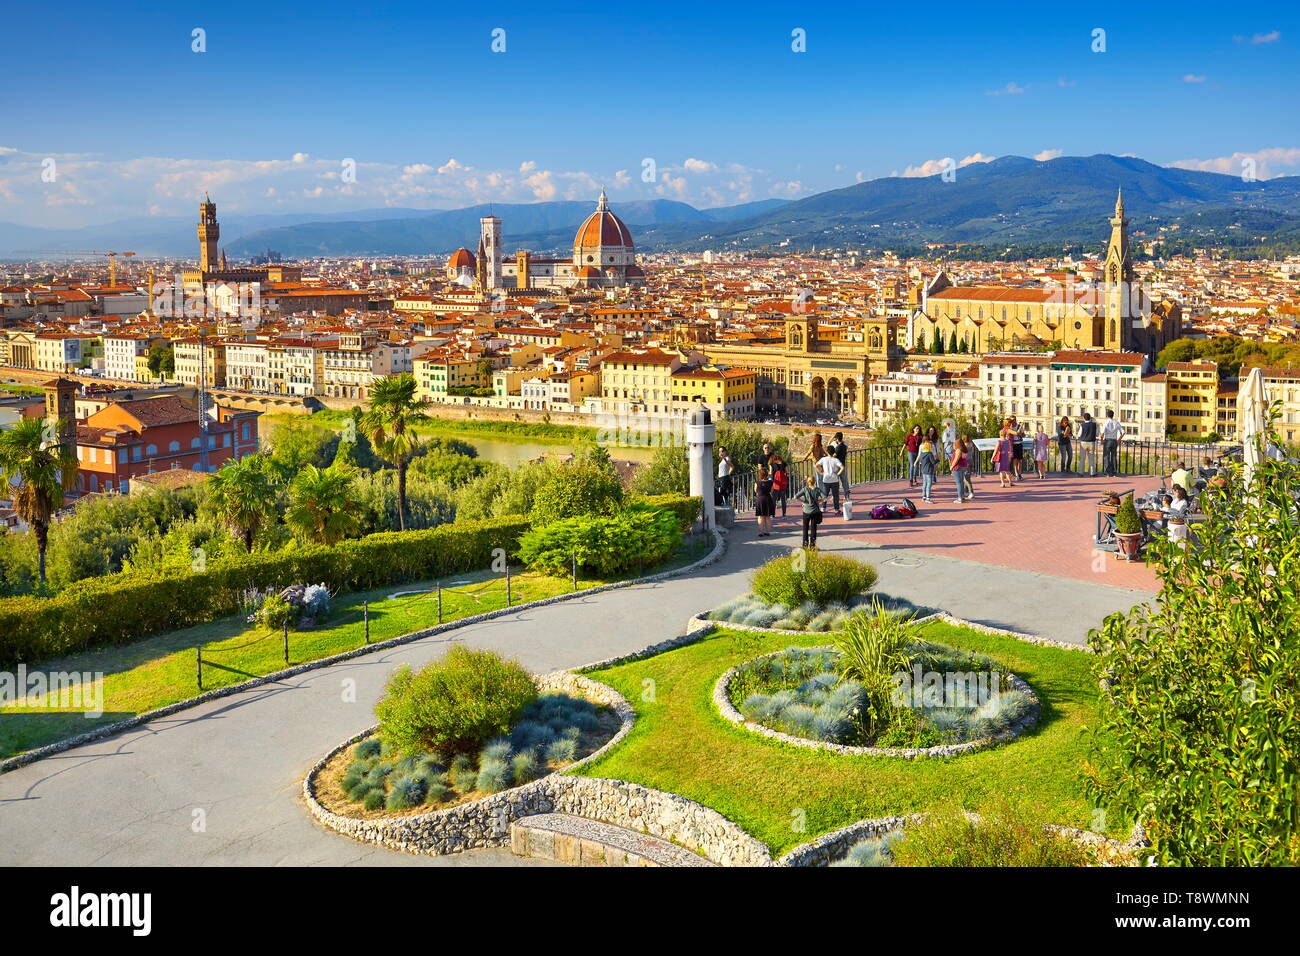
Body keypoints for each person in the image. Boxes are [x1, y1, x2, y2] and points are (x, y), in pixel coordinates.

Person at [792, 476, 826, 547]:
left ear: (808, 482)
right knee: (813, 528)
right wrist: (818, 501)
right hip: (815, 511)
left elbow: (795, 497)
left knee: (805, 528)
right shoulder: (817, 490)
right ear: (814, 481)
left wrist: (803, 501)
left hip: (806, 511)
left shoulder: (805, 489)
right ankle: (812, 546)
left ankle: (805, 545)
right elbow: (824, 498)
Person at [816, 443, 844, 512]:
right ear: (833, 452)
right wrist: (837, 473)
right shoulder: (835, 460)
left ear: (827, 452)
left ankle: (823, 507)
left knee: (825, 495)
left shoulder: (823, 459)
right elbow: (842, 467)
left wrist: (821, 472)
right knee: (835, 495)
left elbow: (816, 465)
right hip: (834, 479)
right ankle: (836, 509)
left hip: (826, 479)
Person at [829, 431, 851, 503]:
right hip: (843, 464)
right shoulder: (845, 445)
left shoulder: (837, 447)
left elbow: (831, 451)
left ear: (837, 438)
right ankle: (847, 495)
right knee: (844, 481)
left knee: (835, 481)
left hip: (836, 466)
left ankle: (834, 496)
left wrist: (832, 439)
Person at [1100, 410, 1124, 477]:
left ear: (1107, 415)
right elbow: (1123, 432)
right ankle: (1114, 472)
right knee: (1114, 456)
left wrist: (1102, 440)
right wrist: (1119, 440)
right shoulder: (1116, 422)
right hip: (1114, 441)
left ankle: (1107, 472)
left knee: (1106, 457)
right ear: (1113, 415)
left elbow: (1102, 433)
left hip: (1107, 441)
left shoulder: (1106, 423)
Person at [754, 464, 775, 537]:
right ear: (766, 474)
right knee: (767, 517)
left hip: (760, 499)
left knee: (760, 516)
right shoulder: (770, 482)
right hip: (768, 499)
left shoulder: (757, 482)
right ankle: (767, 531)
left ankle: (761, 532)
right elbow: (771, 491)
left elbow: (755, 491)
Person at [916, 438, 938, 503]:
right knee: (929, 483)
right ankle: (928, 498)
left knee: (924, 483)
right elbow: (933, 462)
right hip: (929, 470)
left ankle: (924, 496)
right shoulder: (929, 454)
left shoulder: (922, 453)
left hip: (923, 470)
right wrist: (937, 460)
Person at [951, 436, 971, 504]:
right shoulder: (964, 449)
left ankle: (959, 498)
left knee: (958, 483)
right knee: (961, 482)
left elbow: (956, 460)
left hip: (957, 467)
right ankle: (962, 496)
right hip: (963, 467)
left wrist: (951, 466)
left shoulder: (958, 450)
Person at [770, 452, 790, 517]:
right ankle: (784, 514)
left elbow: (770, 473)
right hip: (783, 484)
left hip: (775, 483)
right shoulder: (784, 464)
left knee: (774, 500)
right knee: (783, 500)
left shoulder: (772, 464)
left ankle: (772, 514)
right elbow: (787, 472)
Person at [957, 434, 976, 499]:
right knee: (967, 477)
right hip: (970, 461)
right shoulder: (971, 444)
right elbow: (972, 452)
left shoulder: (964, 446)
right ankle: (966, 491)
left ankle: (971, 492)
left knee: (966, 478)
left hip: (966, 462)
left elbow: (962, 455)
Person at [1008, 417, 1025, 481]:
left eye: (1013, 420)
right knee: (1014, 460)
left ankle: (1019, 474)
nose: (1012, 421)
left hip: (1019, 443)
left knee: (1020, 460)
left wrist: (1021, 433)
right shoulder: (1010, 427)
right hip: (1013, 444)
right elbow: (1015, 433)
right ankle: (1016, 474)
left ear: (1015, 420)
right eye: (1011, 420)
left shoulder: (1018, 426)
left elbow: (1023, 435)